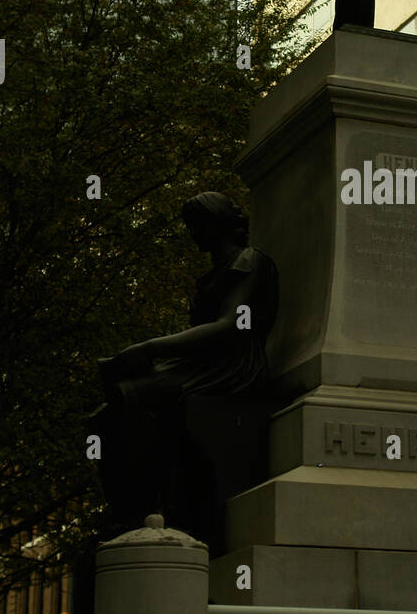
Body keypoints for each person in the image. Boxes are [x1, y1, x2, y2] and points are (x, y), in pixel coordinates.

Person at [89, 192, 278, 539]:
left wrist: (149, 348)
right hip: (201, 364)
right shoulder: (208, 278)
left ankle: (146, 508)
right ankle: (127, 510)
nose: (192, 234)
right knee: (105, 412)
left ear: (217, 222)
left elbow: (233, 325)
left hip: (233, 366)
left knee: (134, 397)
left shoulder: (251, 261)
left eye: (196, 225)